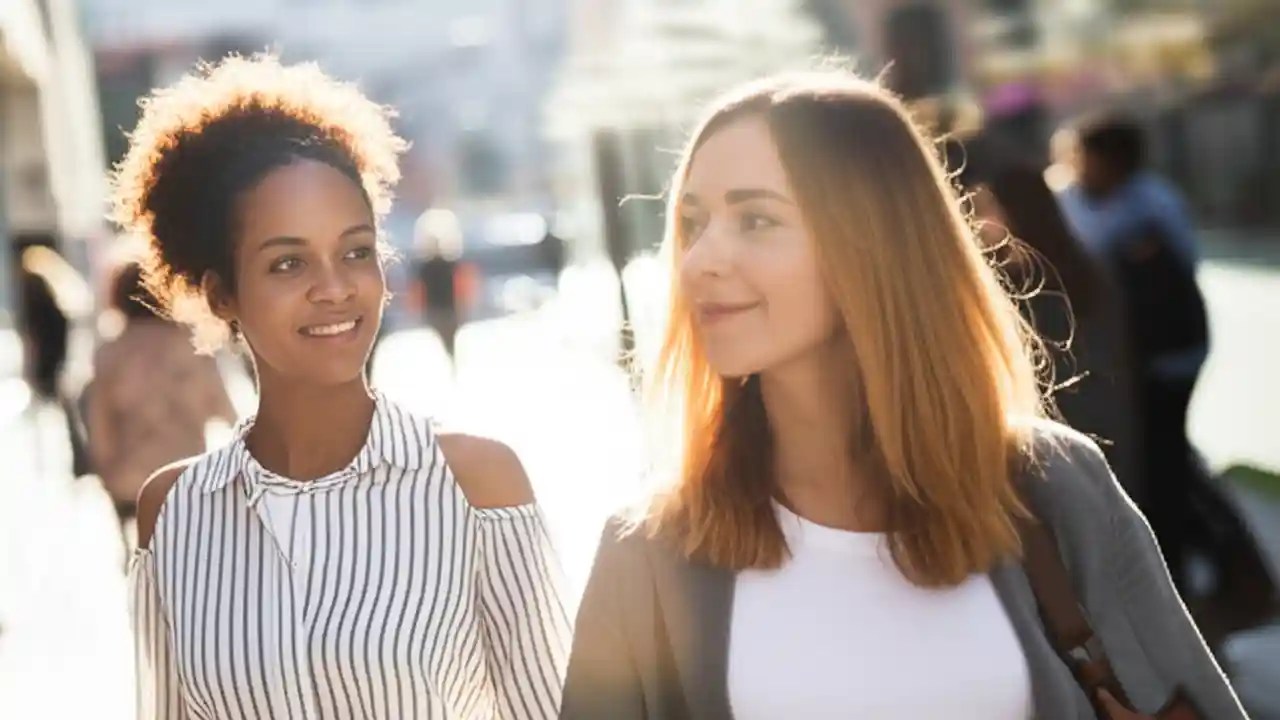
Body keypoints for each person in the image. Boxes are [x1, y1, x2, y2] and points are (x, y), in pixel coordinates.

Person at [559, 71, 1244, 719]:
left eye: (757, 220)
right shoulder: (647, 551)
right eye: (692, 223)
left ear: (875, 244)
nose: (700, 259)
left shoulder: (1053, 487)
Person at [113, 55, 569, 719]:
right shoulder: (173, 512)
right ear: (221, 295)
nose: (335, 288)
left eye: (356, 251)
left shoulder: (476, 482)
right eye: (288, 262)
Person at [1058, 114, 1209, 590]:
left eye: (1083, 155)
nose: (1075, 164)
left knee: (1162, 460)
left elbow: (1176, 276)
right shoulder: (1067, 199)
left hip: (1161, 358)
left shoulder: (1150, 206)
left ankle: (1179, 570)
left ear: (1114, 159)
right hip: (1112, 361)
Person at [952, 134, 1141, 494]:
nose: (974, 222)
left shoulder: (1060, 286)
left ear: (1020, 212)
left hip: (1069, 461)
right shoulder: (1060, 273)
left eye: (983, 207)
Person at [85, 260, 237, 554]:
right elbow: (224, 411)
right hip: (185, 478)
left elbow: (99, 428)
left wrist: (107, 474)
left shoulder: (111, 354)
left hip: (132, 481)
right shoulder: (191, 347)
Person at [409, 208, 467, 359]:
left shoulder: (449, 264)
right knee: (442, 340)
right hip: (436, 310)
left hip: (447, 310)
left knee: (448, 339)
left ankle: (451, 359)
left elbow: (460, 286)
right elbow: (418, 290)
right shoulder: (426, 267)